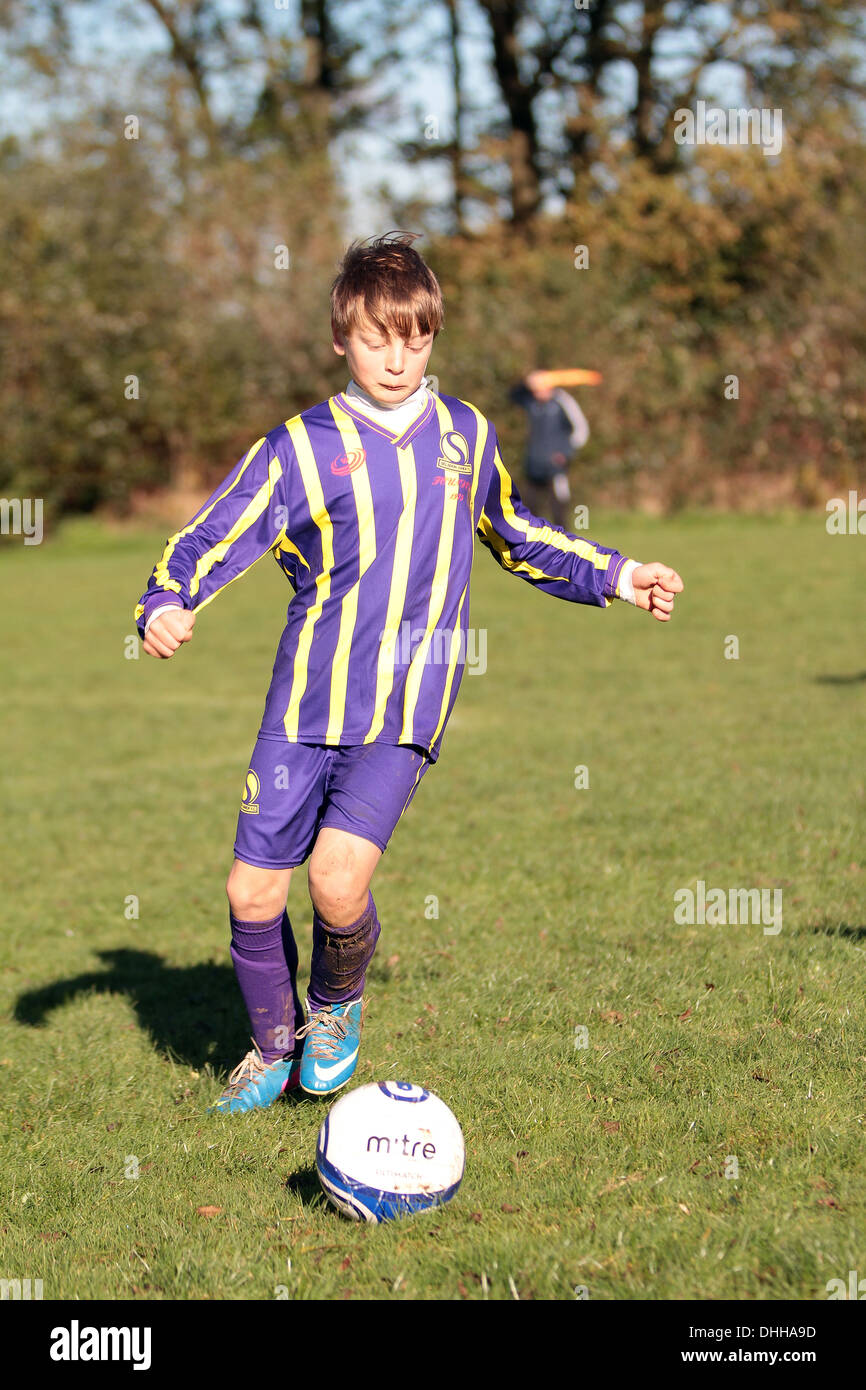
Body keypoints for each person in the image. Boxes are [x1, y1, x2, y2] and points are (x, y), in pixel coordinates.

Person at [134, 232, 683, 1115]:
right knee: (250, 890)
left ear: (432, 336)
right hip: (305, 699)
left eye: (416, 339)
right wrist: (165, 600)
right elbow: (211, 535)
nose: (398, 359)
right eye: (379, 339)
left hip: (406, 702)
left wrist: (619, 574)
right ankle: (271, 1052)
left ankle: (336, 1008)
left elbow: (517, 534)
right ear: (342, 339)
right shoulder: (297, 447)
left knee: (337, 881)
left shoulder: (465, 436)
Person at [510, 370, 590, 527]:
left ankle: (566, 546)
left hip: (555, 468)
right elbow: (512, 395)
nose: (538, 392)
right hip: (533, 465)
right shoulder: (531, 401)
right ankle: (532, 548)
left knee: (559, 510)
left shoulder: (561, 401)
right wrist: (526, 382)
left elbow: (581, 430)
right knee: (529, 513)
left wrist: (565, 453)